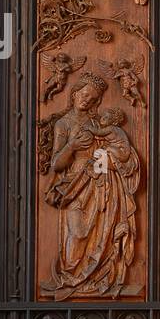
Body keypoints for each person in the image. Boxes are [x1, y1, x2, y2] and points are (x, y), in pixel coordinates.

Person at [40, 73, 141, 300]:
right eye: (84, 95)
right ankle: (71, 278)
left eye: (92, 98)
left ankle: (96, 279)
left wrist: (106, 159)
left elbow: (115, 148)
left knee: (101, 233)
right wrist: (72, 146)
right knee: (77, 233)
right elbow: (56, 164)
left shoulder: (98, 123)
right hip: (75, 185)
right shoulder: (63, 124)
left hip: (100, 184)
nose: (87, 100)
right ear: (75, 94)